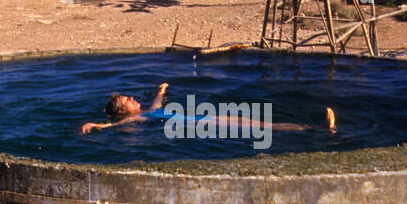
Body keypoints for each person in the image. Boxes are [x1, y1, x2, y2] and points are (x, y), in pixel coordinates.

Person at [81, 82, 336, 135]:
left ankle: (312, 128)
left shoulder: (146, 113)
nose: (134, 99)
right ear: (123, 110)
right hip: (201, 125)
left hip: (205, 118)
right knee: (262, 126)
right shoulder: (134, 121)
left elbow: (156, 105)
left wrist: (161, 91)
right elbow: (115, 126)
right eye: (129, 100)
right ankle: (316, 129)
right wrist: (94, 125)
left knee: (259, 124)